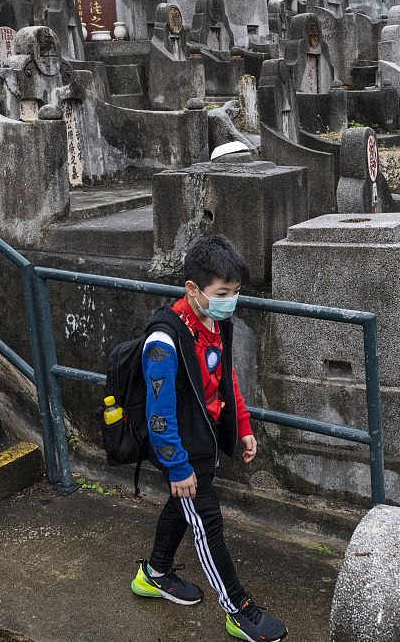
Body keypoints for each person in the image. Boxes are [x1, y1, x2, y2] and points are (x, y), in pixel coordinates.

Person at [130, 235, 287, 642]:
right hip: (181, 447)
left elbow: (226, 378)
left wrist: (244, 425)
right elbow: (159, 416)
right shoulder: (163, 343)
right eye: (222, 293)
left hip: (206, 439)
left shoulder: (216, 321)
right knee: (207, 522)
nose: (230, 300)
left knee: (182, 507)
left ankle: (155, 573)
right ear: (192, 289)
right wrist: (177, 466)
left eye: (235, 292)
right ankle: (237, 607)